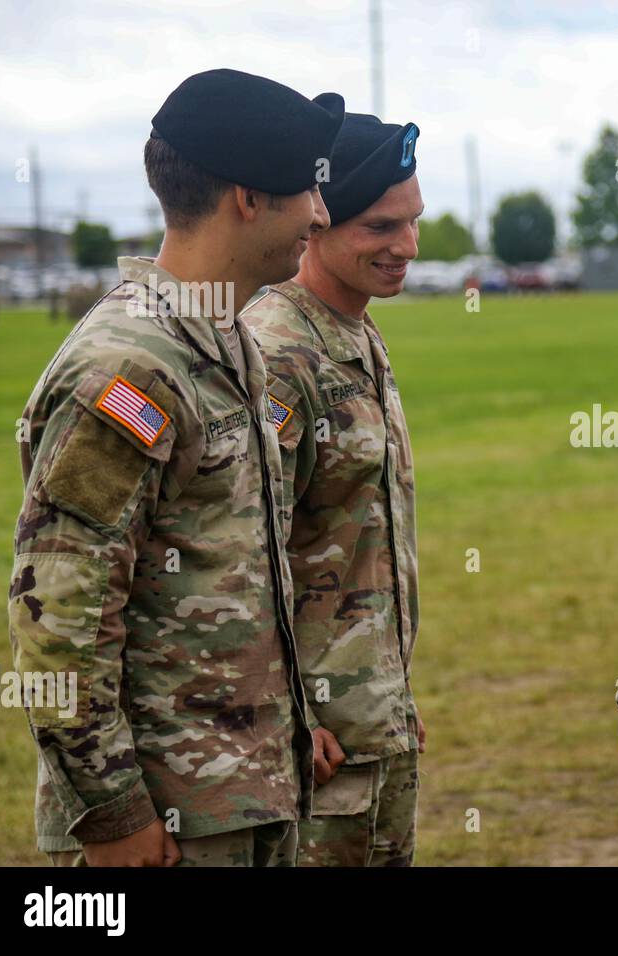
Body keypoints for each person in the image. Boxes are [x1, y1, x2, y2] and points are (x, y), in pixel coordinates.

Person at [8, 68, 344, 867]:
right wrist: (113, 816)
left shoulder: (223, 343)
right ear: (247, 198)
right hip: (163, 827)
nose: (321, 215)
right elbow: (57, 621)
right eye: (306, 190)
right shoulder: (130, 369)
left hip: (237, 803)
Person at [242, 113, 425, 866]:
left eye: (414, 221)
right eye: (381, 226)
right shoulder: (280, 350)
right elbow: (241, 550)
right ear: (315, 223)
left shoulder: (354, 328)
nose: (407, 247)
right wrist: (280, 713)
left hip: (368, 721)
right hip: (312, 749)